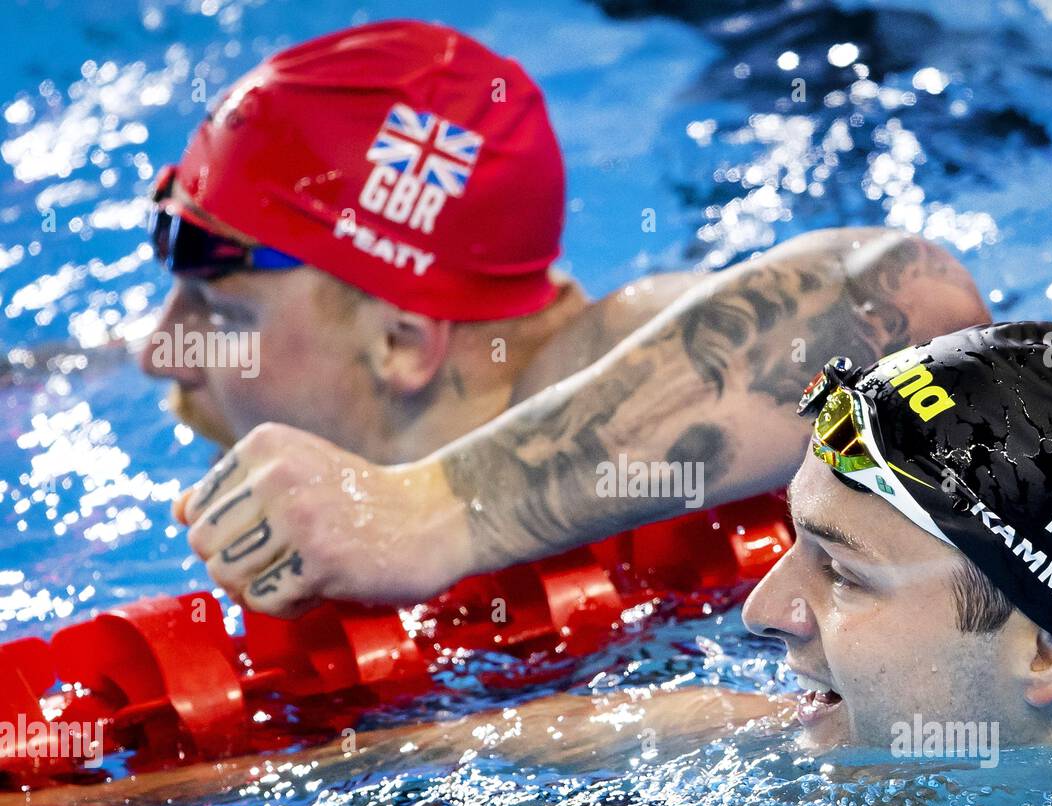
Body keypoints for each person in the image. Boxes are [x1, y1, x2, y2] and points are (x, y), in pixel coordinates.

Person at [6, 322, 1052, 806]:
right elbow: (437, 755)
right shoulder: (783, 749)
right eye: (791, 540)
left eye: (840, 572)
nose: (760, 609)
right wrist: (75, 800)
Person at [142, 19, 987, 614]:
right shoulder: (287, 370)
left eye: (217, 310)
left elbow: (917, 296)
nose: (156, 351)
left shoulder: (619, 355)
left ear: (401, 343)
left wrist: (431, 508)